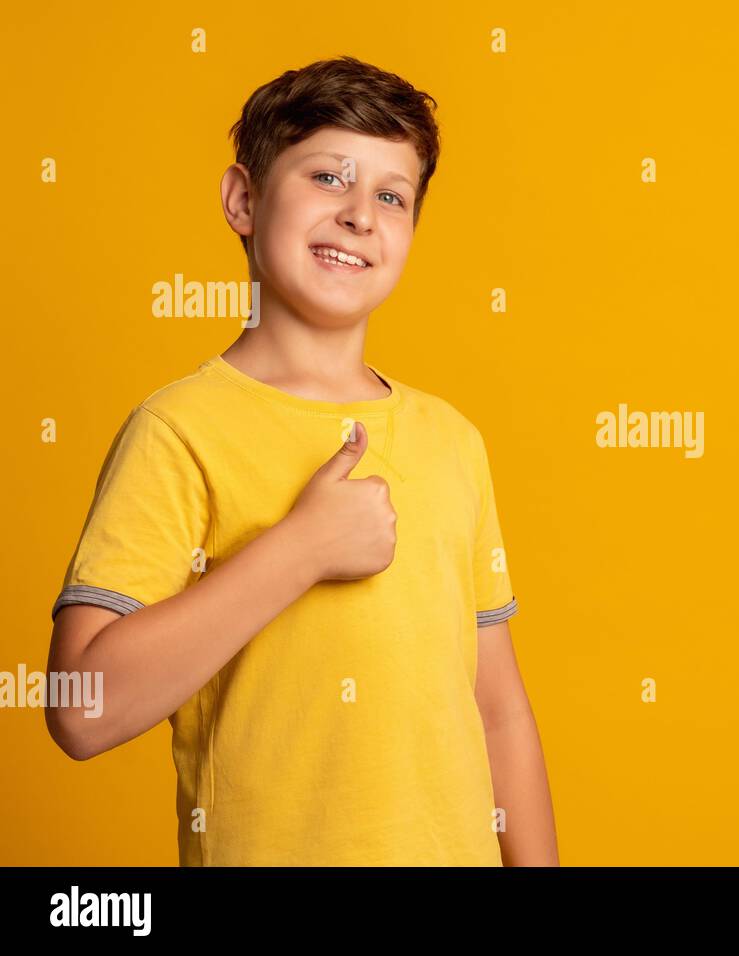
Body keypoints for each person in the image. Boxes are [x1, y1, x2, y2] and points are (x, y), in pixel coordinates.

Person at [44, 56, 558, 866]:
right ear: (243, 201)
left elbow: (498, 710)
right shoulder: (180, 430)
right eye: (329, 177)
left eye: (392, 195)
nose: (360, 215)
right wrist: (301, 549)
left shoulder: (452, 440)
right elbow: (80, 712)